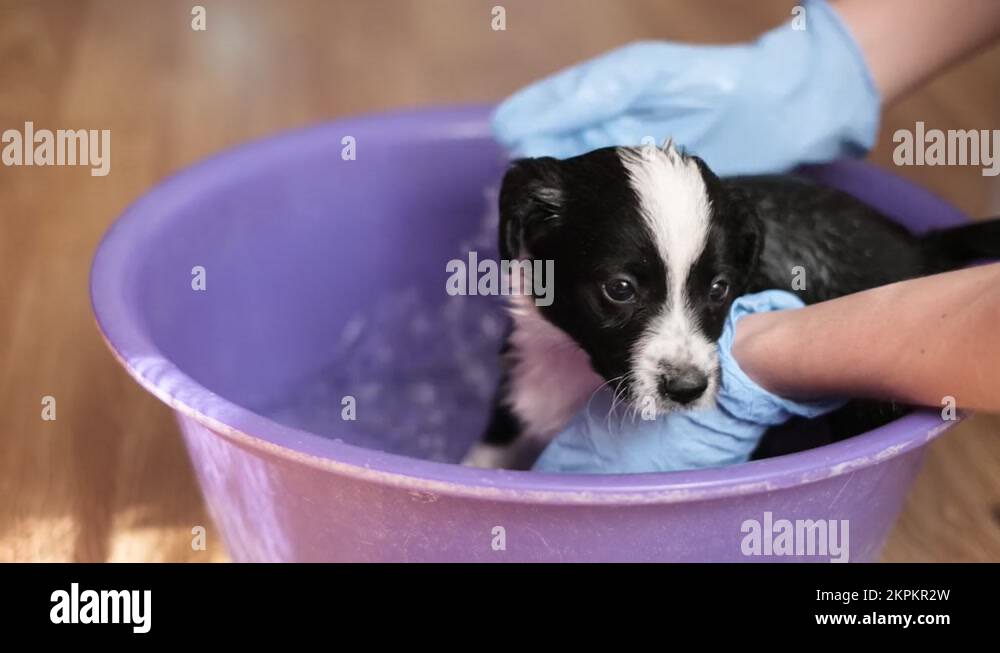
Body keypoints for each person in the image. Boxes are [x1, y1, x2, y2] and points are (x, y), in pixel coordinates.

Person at [491, 0, 1000, 472]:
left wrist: (766, 361)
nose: (687, 370)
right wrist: (823, 68)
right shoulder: (545, 249)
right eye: (621, 291)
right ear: (524, 232)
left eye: (716, 292)